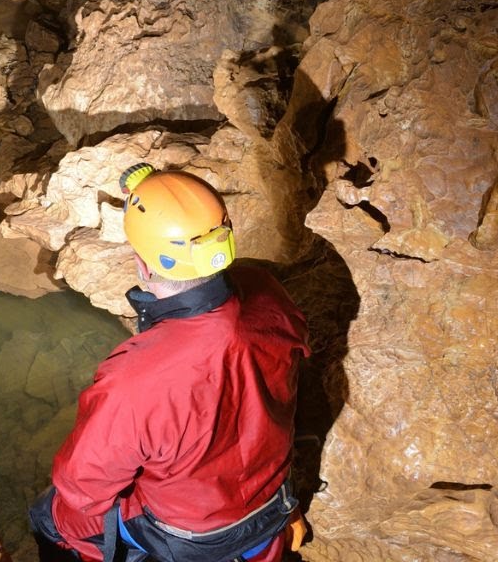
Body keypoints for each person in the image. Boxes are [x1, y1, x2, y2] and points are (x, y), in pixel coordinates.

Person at [29, 163, 311, 562]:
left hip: (192, 534)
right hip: (269, 499)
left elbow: (83, 489)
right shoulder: (267, 291)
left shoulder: (134, 380)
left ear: (143, 265)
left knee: (53, 515)